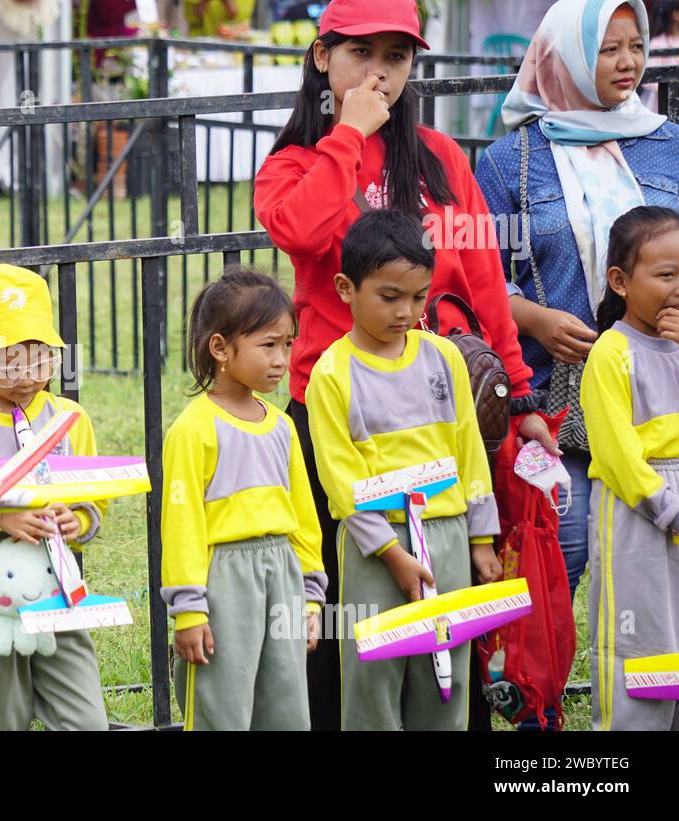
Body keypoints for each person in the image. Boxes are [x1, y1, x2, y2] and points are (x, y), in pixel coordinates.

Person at [253, 0, 548, 731]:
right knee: (348, 597)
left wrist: (516, 396)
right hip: (336, 412)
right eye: (363, 52)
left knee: (445, 590)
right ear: (322, 57)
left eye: (399, 55)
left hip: (437, 406)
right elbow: (299, 230)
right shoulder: (296, 162)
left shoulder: (443, 160)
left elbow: (482, 281)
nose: (382, 72)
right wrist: (349, 133)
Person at [478, 0, 679, 604]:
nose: (628, 64)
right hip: (554, 401)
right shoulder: (509, 160)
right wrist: (532, 317)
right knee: (560, 555)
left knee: (656, 568)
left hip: (661, 394)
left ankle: (646, 694)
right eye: (607, 49)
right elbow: (477, 273)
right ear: (564, 52)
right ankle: (542, 696)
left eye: (636, 46)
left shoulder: (668, 145)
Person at [306, 210, 502, 730]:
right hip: (378, 546)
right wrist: (391, 553)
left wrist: (480, 540)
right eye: (389, 297)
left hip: (448, 536)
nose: (406, 311)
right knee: (375, 673)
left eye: (419, 297)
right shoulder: (331, 373)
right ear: (346, 288)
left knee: (447, 671)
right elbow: (342, 482)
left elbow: (469, 452)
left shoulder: (443, 357)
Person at [0, 264, 109, 730]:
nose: (26, 375)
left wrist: (81, 521)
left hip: (58, 585)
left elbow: (95, 496)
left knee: (83, 715)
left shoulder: (70, 419)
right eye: (9, 362)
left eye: (39, 359)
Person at [161, 267, 324, 731]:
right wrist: (190, 610)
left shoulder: (283, 427)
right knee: (223, 706)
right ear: (220, 349)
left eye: (288, 345)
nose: (281, 359)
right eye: (268, 345)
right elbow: (182, 526)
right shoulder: (193, 430)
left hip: (283, 577)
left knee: (286, 703)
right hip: (224, 582)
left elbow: (304, 520)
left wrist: (310, 598)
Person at [580, 205, 679, 731]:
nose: (678, 287)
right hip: (640, 512)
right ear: (620, 281)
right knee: (638, 640)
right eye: (666, 275)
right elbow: (617, 454)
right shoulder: (612, 353)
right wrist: (669, 509)